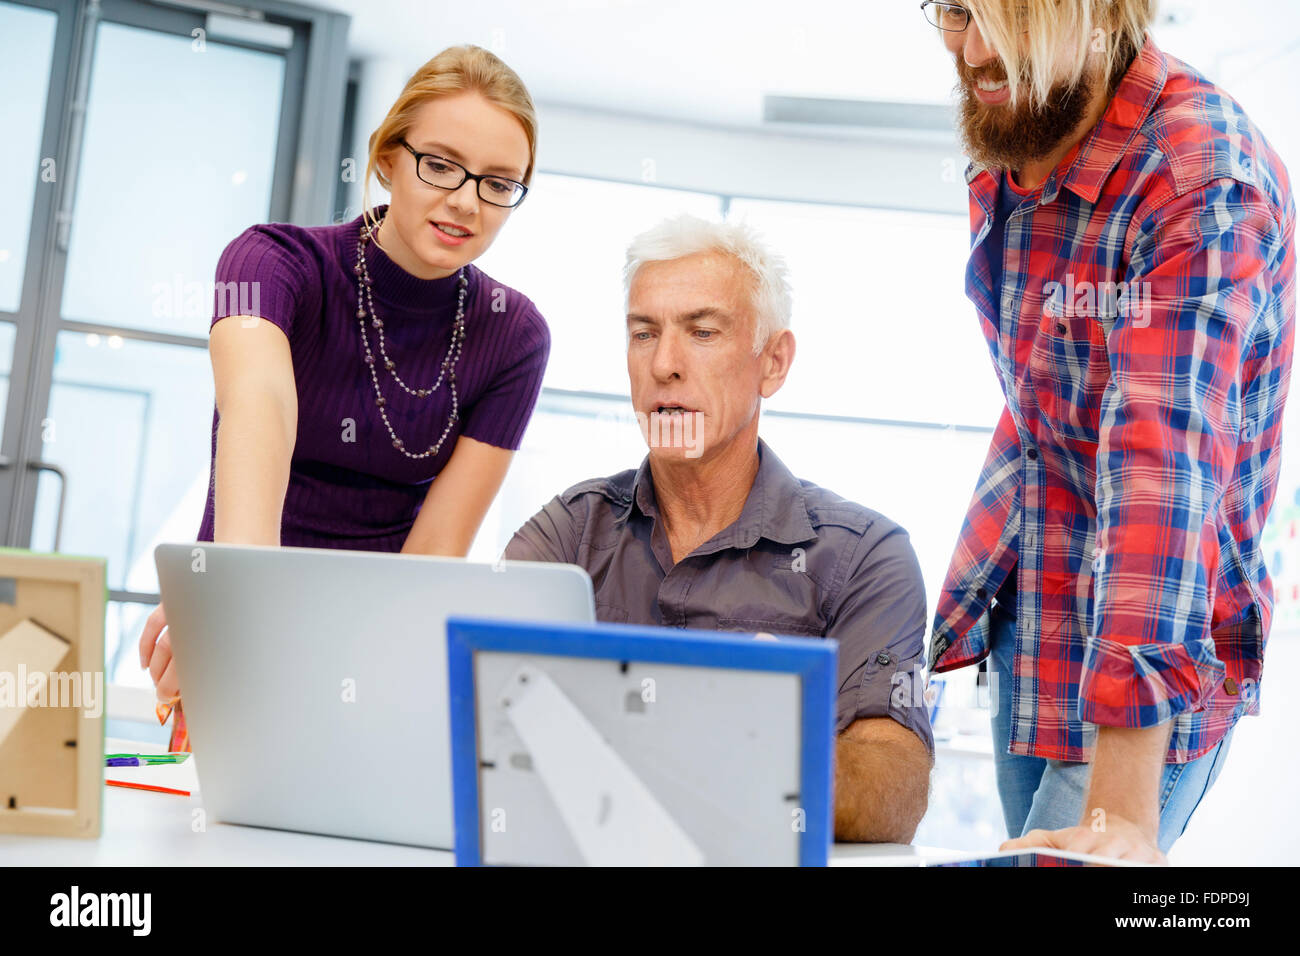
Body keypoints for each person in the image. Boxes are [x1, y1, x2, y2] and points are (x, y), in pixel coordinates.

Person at [921, 0, 1295, 861]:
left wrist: (1121, 811)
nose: (973, 51)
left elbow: (1162, 474)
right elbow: (1048, 399)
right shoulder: (1020, 121)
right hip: (1035, 623)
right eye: (954, 12)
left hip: (1155, 639)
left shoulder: (1201, 179)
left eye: (1008, 28)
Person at [138, 45, 551, 747]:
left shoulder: (515, 337)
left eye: (497, 183)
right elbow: (259, 406)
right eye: (441, 164)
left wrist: (361, 672)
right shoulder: (265, 262)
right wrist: (237, 608)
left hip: (374, 657)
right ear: (389, 157)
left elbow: (435, 552)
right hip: (237, 620)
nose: (464, 201)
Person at [504, 215, 934, 843]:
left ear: (773, 363)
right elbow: (485, 717)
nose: (664, 365)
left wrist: (752, 738)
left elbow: (894, 795)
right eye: (643, 333)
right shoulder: (571, 531)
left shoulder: (867, 555)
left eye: (702, 332)